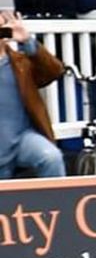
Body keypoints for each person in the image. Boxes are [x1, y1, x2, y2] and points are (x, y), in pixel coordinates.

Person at [0, 11, 65, 179]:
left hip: (21, 138)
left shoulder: (19, 62)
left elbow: (54, 71)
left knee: (51, 157)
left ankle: (58, 203)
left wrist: (27, 41)